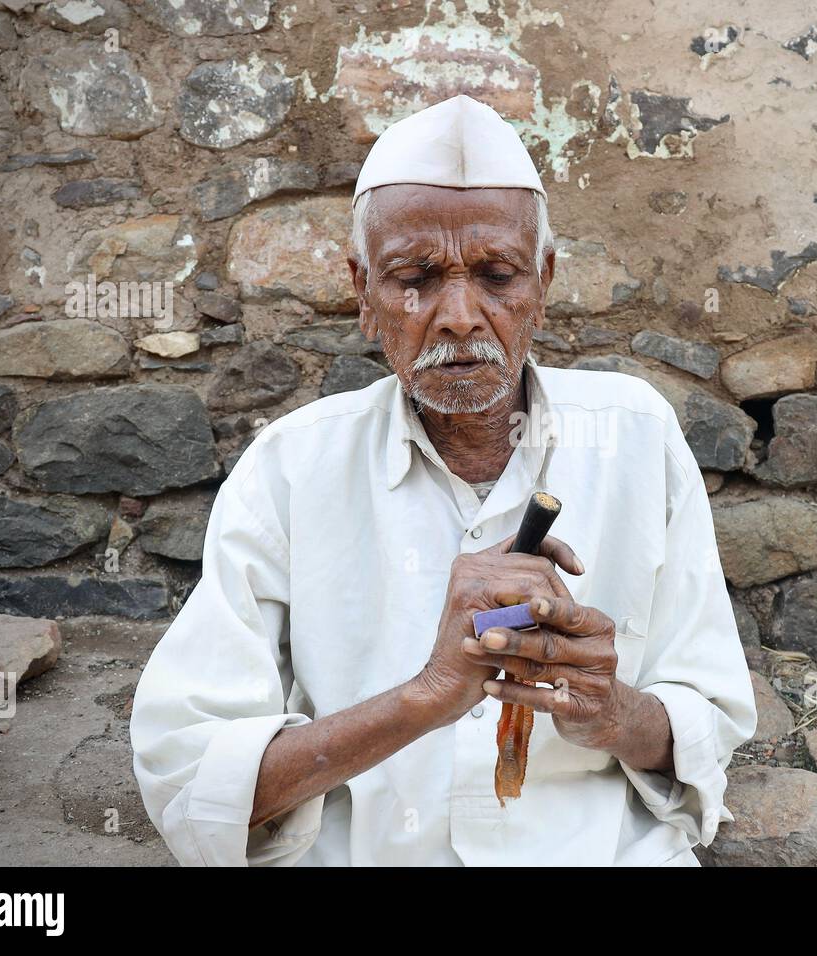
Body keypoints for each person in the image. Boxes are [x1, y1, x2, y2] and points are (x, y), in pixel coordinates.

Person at [130, 94, 755, 866]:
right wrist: (423, 697)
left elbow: (708, 724)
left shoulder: (637, 437)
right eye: (415, 278)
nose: (459, 314)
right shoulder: (292, 467)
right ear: (363, 292)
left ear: (544, 281)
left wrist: (610, 714)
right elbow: (193, 783)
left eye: (497, 276)